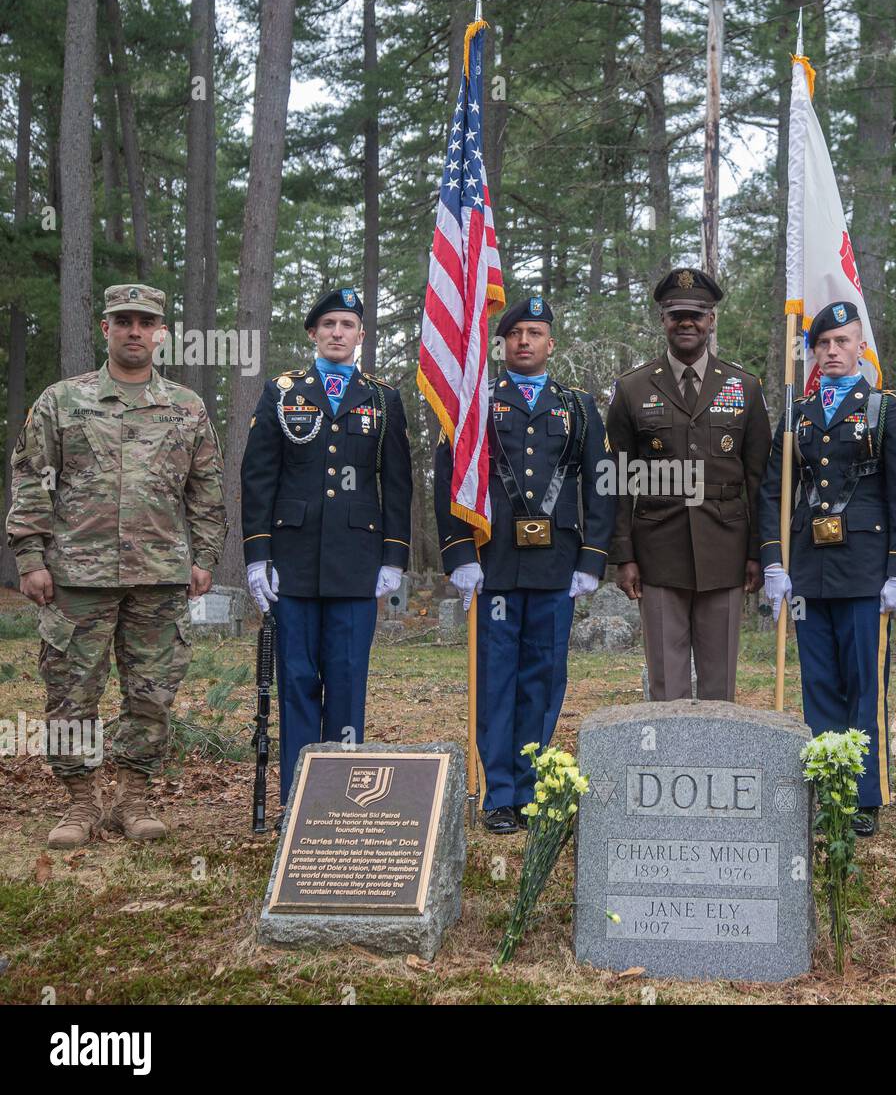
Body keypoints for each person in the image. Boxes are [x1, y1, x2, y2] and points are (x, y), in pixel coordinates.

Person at [6, 284, 227, 847]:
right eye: (123, 320)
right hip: (78, 574)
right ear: (105, 328)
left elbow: (206, 489)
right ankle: (79, 803)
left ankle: (133, 799)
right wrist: (30, 557)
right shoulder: (63, 400)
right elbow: (32, 480)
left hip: (159, 574)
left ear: (160, 333)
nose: (134, 330)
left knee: (151, 693)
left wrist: (204, 555)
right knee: (70, 692)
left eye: (145, 322)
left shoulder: (186, 406)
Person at [436, 295, 615, 833]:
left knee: (544, 676)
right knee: (497, 678)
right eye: (515, 334)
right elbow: (448, 478)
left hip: (558, 562)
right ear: (502, 343)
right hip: (496, 562)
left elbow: (602, 484)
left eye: (535, 333)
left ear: (550, 343)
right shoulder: (477, 403)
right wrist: (459, 553)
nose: (524, 342)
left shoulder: (579, 406)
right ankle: (498, 792)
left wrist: (593, 556)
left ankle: (533, 786)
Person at [758, 301, 896, 836]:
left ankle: (865, 794)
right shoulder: (796, 414)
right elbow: (772, 493)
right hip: (809, 570)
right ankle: (828, 786)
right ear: (813, 351)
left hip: (866, 572)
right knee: (820, 684)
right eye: (823, 344)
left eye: (842, 342)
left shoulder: (886, 410)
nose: (831, 351)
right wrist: (773, 561)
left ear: (860, 347)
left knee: (864, 682)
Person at [240, 287, 412, 818]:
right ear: (313, 333)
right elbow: (258, 478)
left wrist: (394, 556)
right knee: (294, 679)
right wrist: (257, 555)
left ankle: (339, 796)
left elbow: (398, 482)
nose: (338, 332)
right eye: (329, 324)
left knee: (345, 678)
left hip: (357, 563)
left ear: (362, 335)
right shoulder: (282, 392)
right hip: (292, 561)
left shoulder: (382, 398)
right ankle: (297, 798)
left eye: (348, 324)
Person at [606, 267, 772, 701]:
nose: (686, 322)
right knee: (667, 686)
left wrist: (759, 551)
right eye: (676, 314)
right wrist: (623, 555)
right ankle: (667, 766)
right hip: (658, 549)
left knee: (721, 687)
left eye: (695, 315)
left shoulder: (745, 388)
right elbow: (619, 479)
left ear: (711, 319)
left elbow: (759, 480)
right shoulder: (632, 389)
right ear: (662, 319)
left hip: (726, 547)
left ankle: (717, 766)